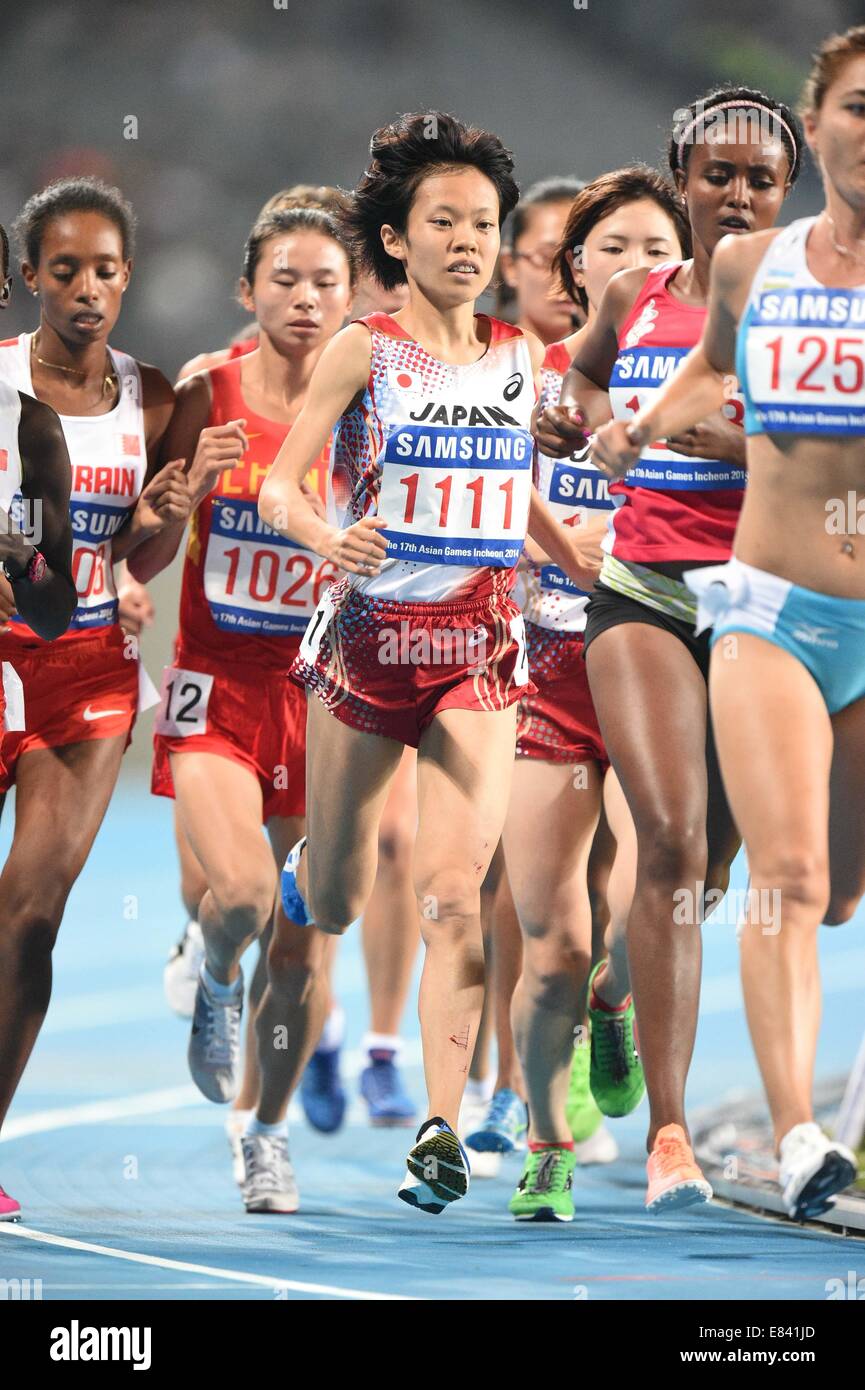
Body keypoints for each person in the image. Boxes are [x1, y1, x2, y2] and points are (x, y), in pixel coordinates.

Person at [261, 110, 602, 1213]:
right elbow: (282, 483)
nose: (466, 241)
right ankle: (304, 870)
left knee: (457, 888)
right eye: (442, 221)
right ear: (397, 240)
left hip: (478, 654)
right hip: (368, 653)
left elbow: (522, 492)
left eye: (484, 224)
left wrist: (579, 562)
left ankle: (440, 1126)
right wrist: (325, 536)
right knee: (342, 892)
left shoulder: (519, 359)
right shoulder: (364, 348)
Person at [591, 25, 865, 1221]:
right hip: (730, 601)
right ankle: (753, 1131)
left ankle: (628, 975)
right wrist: (631, 428)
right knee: (731, 861)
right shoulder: (746, 271)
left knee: (834, 884)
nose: (736, 192)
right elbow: (672, 367)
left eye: (758, 172)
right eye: (857, 106)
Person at [536, 86, 802, 1213]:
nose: (737, 194)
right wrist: (576, 415)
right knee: (672, 842)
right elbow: (581, 376)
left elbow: (816, 450)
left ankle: (611, 994)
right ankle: (670, 1137)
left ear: (788, 192)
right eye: (717, 174)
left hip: (762, 602)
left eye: (760, 178)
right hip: (640, 592)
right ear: (679, 180)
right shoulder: (632, 293)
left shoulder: (809, 303)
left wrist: (692, 431)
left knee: (712, 873)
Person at [133, 204, 354, 1212]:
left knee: (304, 943)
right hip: (216, 690)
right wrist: (180, 502)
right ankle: (216, 973)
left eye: (325, 283)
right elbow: (144, 549)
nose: (305, 302)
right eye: (285, 281)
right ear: (246, 290)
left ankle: (260, 1135)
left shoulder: (370, 406)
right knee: (240, 901)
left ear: (353, 296)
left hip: (326, 701)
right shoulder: (203, 392)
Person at [504, 167, 690, 1220]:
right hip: (545, 671)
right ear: (573, 268)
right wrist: (542, 532)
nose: (633, 265)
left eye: (651, 246)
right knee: (554, 940)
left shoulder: (700, 371)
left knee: (636, 898)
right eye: (610, 247)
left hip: (651, 657)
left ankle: (617, 1001)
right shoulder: (523, 375)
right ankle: (544, 1139)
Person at [0, 177, 186, 1222]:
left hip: (84, 675)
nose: (87, 288)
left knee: (29, 918)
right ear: (30, 275)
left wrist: (155, 527)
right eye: (65, 268)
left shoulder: (150, 396)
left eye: (106, 270)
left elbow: (139, 555)